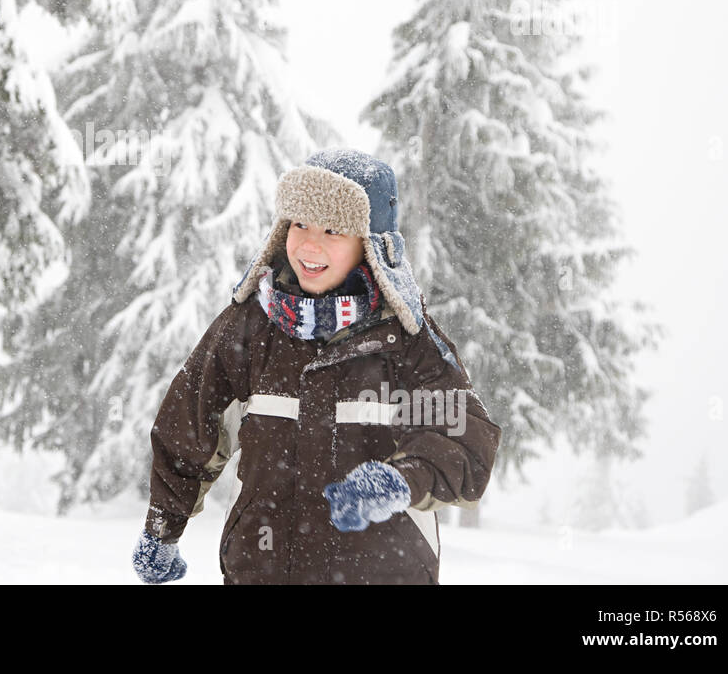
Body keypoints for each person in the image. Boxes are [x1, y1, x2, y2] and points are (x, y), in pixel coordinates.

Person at [131, 148, 500, 584]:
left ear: (371, 246)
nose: (309, 243)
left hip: (383, 573)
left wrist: (400, 480)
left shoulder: (406, 341)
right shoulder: (252, 324)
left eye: (333, 230)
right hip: (262, 570)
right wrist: (163, 526)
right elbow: (189, 421)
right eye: (300, 223)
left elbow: (465, 439)